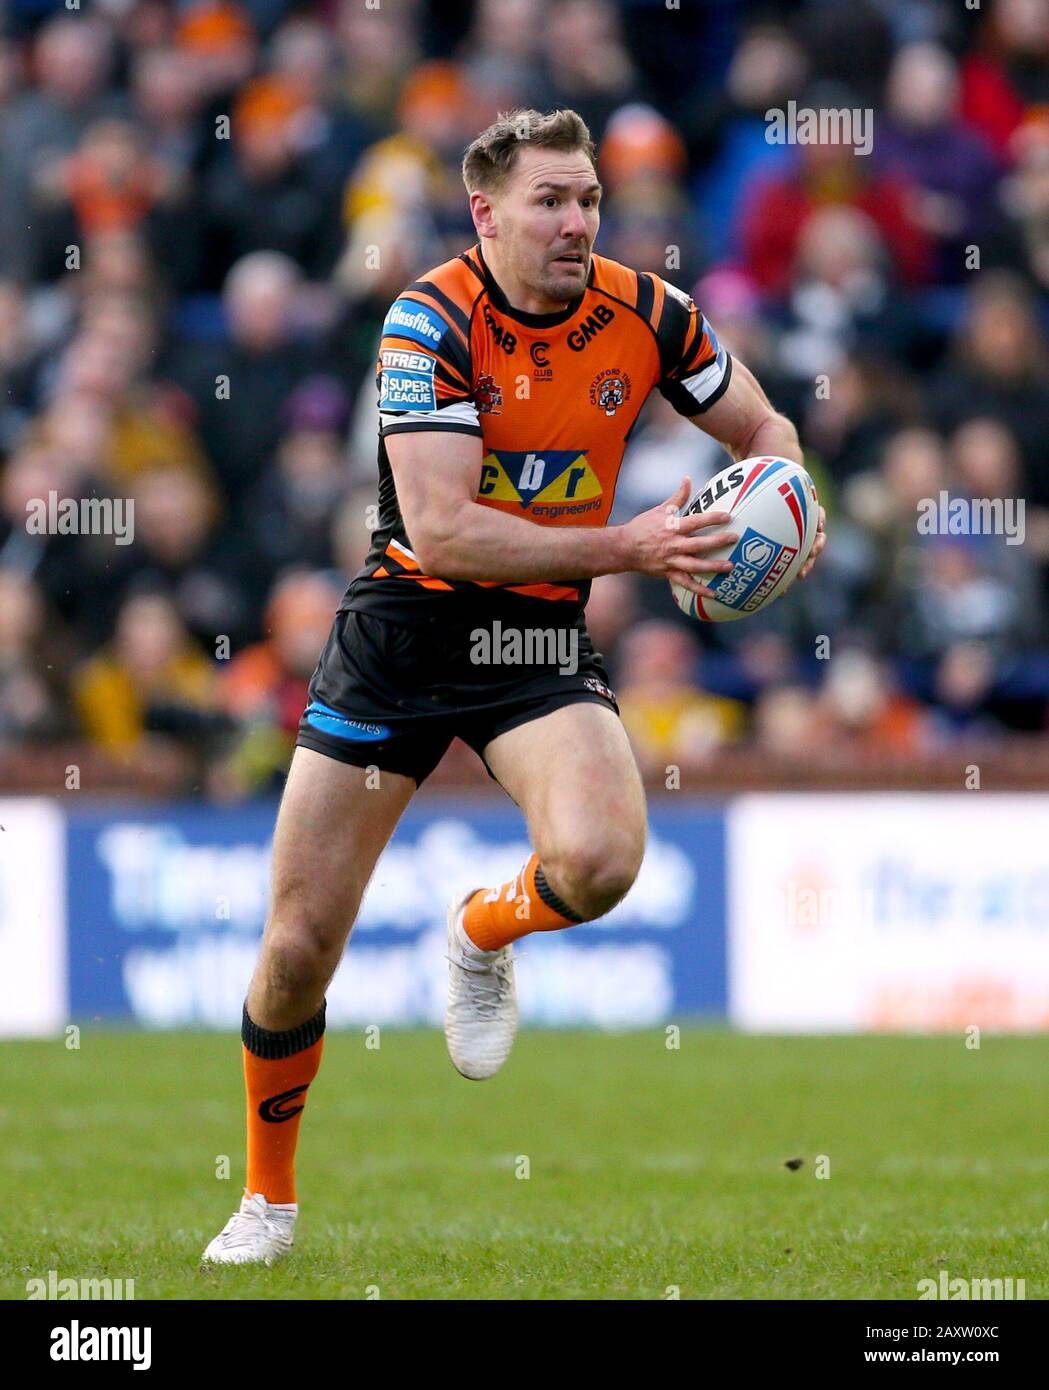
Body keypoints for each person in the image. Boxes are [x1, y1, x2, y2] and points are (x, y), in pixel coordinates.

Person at [202, 107, 826, 1265]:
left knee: (600, 862)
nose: (576, 221)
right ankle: (268, 1201)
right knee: (295, 948)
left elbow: (762, 421)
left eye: (587, 198)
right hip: (402, 639)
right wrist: (630, 546)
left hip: (534, 644)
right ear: (485, 213)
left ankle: (480, 933)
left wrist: (788, 499)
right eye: (549, 201)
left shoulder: (648, 311)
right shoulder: (426, 319)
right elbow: (442, 533)